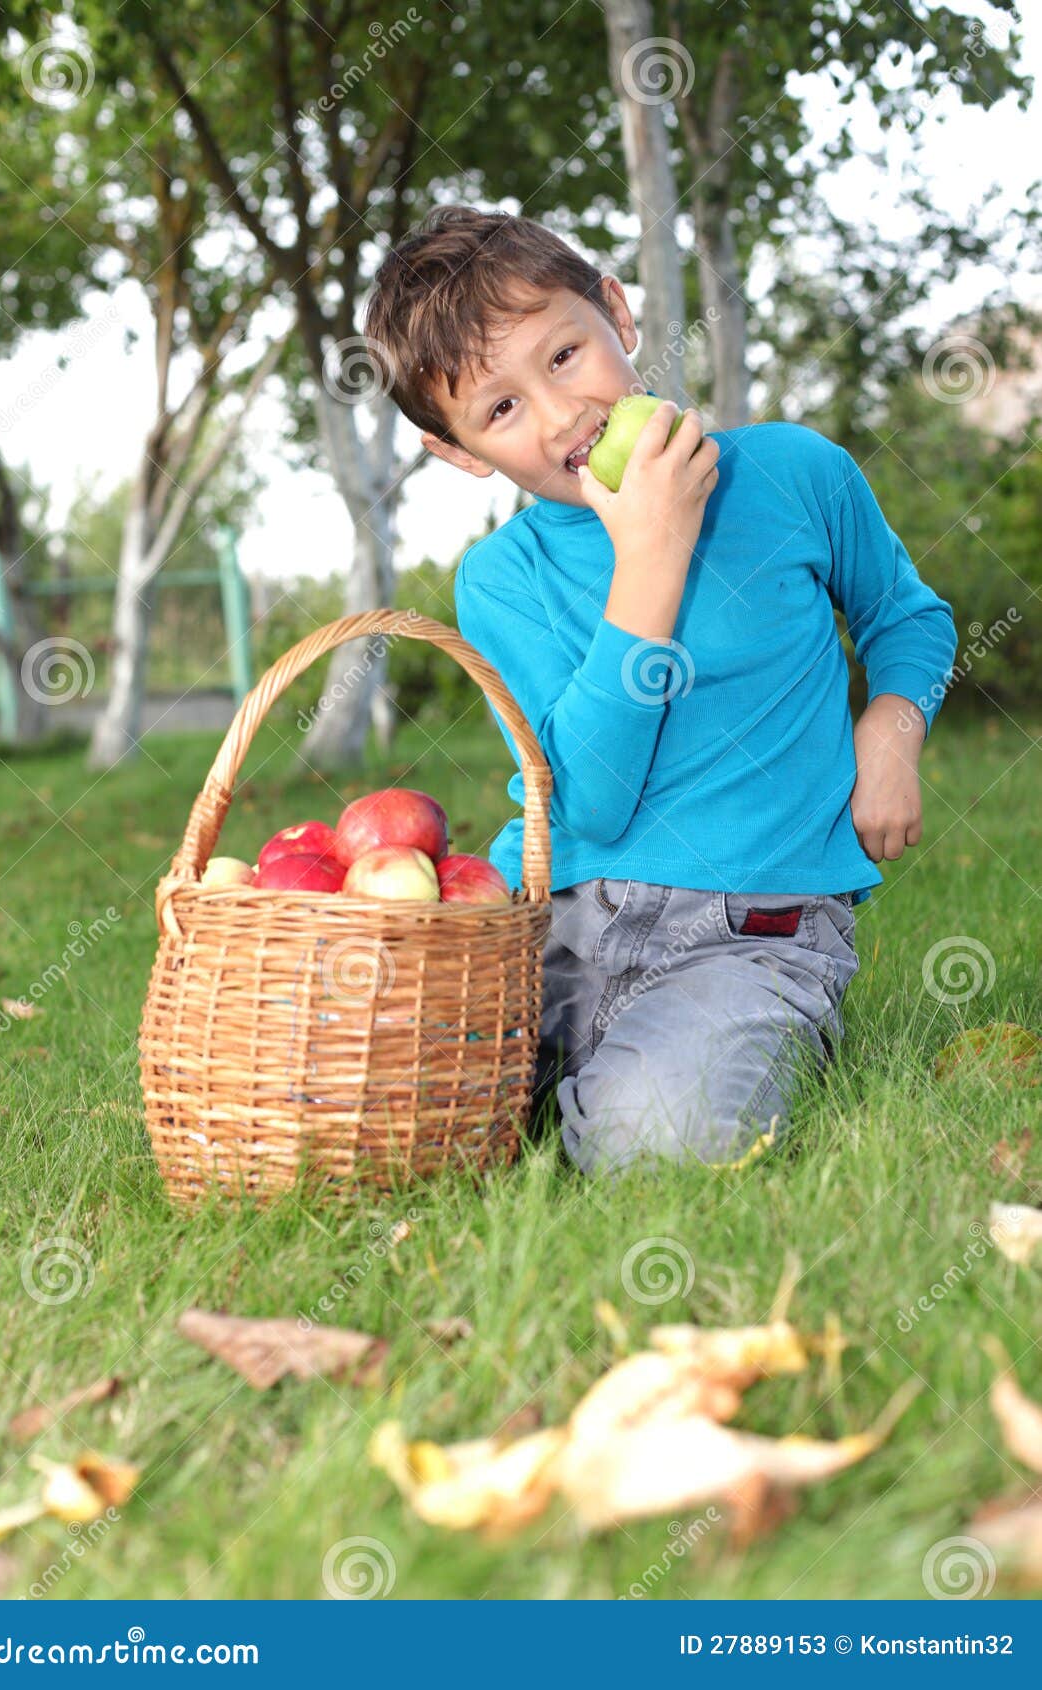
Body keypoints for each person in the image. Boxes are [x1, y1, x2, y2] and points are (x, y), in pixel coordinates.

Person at [362, 205, 958, 1179]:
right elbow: (589, 797)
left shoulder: (793, 473)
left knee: (653, 1143)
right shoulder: (499, 579)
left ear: (615, 312)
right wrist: (650, 555)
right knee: (376, 1106)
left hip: (745, 934)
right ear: (461, 454)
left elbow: (907, 616)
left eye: (561, 356)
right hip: (538, 923)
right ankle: (550, 1084)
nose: (560, 417)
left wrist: (888, 732)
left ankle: (642, 1079)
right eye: (499, 409)